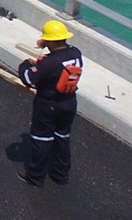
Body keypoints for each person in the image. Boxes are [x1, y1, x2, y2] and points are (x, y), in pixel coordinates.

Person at [16, 20, 83, 186]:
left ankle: (35, 176)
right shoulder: (76, 53)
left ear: (49, 41)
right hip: (69, 102)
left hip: (48, 104)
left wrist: (25, 64)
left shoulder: (49, 62)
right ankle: (60, 175)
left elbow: (28, 78)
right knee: (62, 137)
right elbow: (57, 67)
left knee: (42, 139)